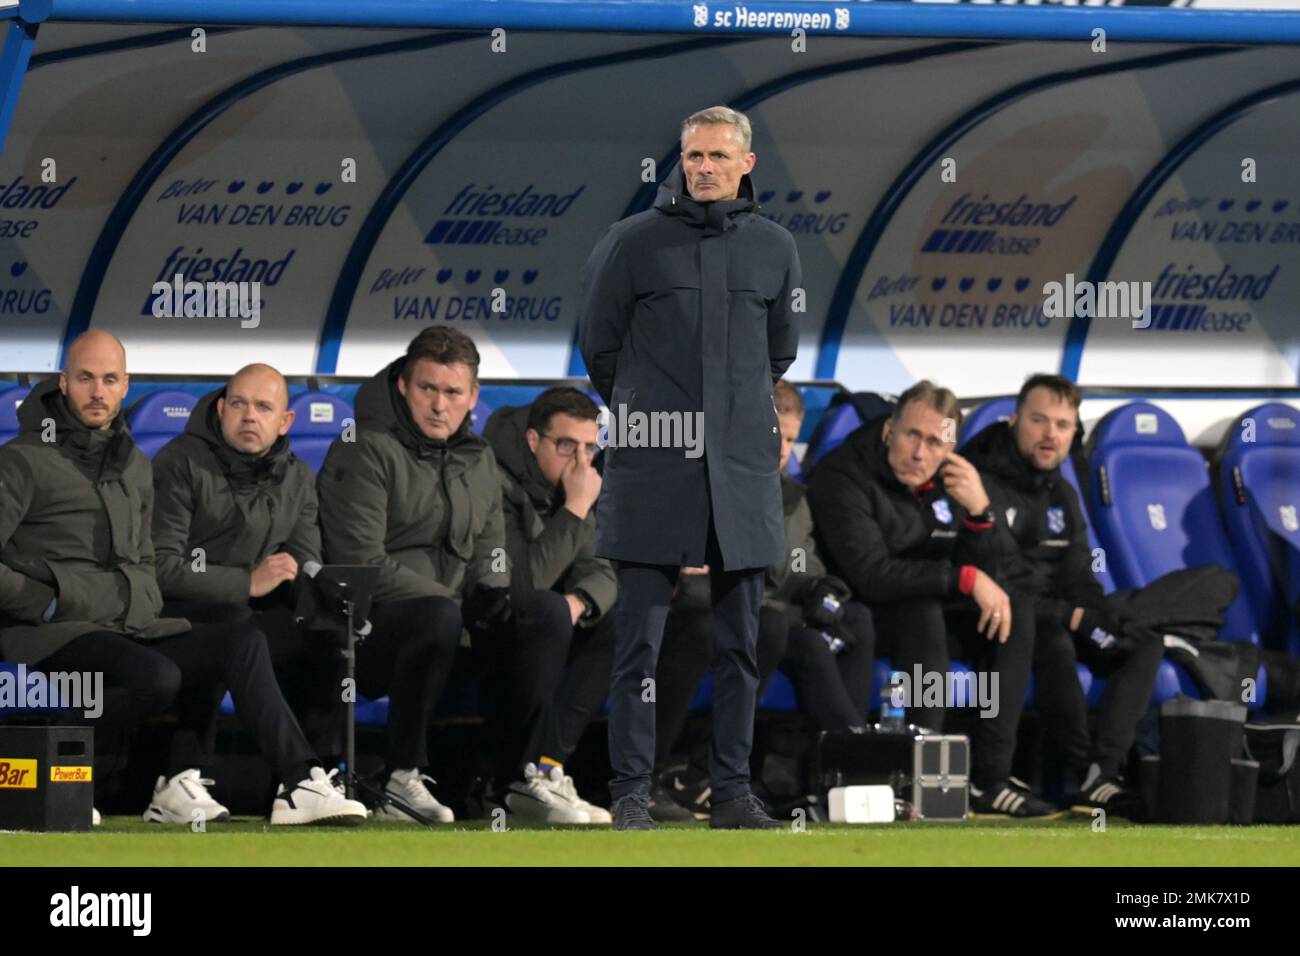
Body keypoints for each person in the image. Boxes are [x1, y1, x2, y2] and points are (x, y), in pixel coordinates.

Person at [0, 332, 365, 826]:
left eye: (109, 379)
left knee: (240, 639)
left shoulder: (130, 461)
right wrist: (40, 601)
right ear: (63, 383)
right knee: (157, 675)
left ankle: (300, 781)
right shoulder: (23, 459)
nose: (97, 391)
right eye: (85, 378)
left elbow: (144, 559)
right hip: (53, 626)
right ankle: (58, 772)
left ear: (125, 386)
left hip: (128, 621)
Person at [579, 105, 800, 830]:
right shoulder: (631, 241)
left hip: (739, 472)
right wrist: (654, 414)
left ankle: (733, 794)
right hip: (652, 467)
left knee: (741, 645)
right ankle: (630, 796)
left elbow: (778, 354)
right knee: (637, 646)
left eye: (715, 156)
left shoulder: (776, 248)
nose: (701, 168)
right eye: (692, 156)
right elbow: (599, 347)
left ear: (746, 164)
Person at [807, 380, 1058, 818]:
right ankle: (924, 776)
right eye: (912, 436)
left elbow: (997, 574)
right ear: (889, 430)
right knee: (920, 612)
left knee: (1012, 609)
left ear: (951, 446)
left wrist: (981, 517)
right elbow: (871, 575)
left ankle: (990, 780)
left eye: (935, 442)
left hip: (934, 617)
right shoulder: (841, 475)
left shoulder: (953, 480)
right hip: (863, 615)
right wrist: (961, 577)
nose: (921, 454)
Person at [316, 328, 505, 824]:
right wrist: (455, 605)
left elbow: (493, 549)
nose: (439, 405)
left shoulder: (480, 457)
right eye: (427, 389)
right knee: (439, 616)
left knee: (543, 616)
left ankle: (530, 775)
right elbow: (362, 563)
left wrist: (496, 598)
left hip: (454, 620)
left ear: (473, 397)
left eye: (452, 393)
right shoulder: (364, 448)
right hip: (372, 629)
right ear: (403, 385)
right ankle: (401, 775)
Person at [961, 373, 1162, 817]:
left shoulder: (1064, 493)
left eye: (1063, 424)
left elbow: (1079, 574)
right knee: (1051, 637)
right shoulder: (977, 479)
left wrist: (1094, 616)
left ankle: (1101, 773)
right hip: (1000, 622)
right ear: (1014, 421)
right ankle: (1064, 773)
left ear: (1074, 432)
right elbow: (996, 575)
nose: (1051, 433)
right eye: (1039, 420)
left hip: (1057, 616)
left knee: (1144, 642)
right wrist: (1068, 615)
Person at [151, 364, 339, 764]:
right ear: (221, 410)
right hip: (176, 611)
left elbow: (306, 562)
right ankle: (184, 774)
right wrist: (245, 583)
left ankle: (318, 776)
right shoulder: (179, 462)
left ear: (285, 422)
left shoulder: (297, 478)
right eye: (239, 404)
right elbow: (160, 567)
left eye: (263, 407)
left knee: (324, 633)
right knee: (231, 622)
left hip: (249, 612)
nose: (249, 416)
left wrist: (332, 605)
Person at [481, 386, 618, 824]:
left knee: (617, 617)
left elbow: (605, 568)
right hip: (485, 625)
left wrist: (582, 600)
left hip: (548, 626)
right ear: (533, 441)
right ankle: (517, 780)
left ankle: (546, 770)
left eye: (589, 448)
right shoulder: (494, 479)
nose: (581, 461)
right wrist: (576, 508)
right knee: (547, 610)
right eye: (566, 446)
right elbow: (521, 583)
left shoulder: (573, 480)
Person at [767, 381, 876, 732]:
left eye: (789, 440)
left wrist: (822, 587)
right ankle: (856, 755)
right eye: (773, 435)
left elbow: (804, 559)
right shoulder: (724, 485)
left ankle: (831, 767)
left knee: (855, 619)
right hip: (753, 617)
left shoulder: (793, 494)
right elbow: (766, 570)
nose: (782, 450)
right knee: (810, 643)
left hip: (788, 609)